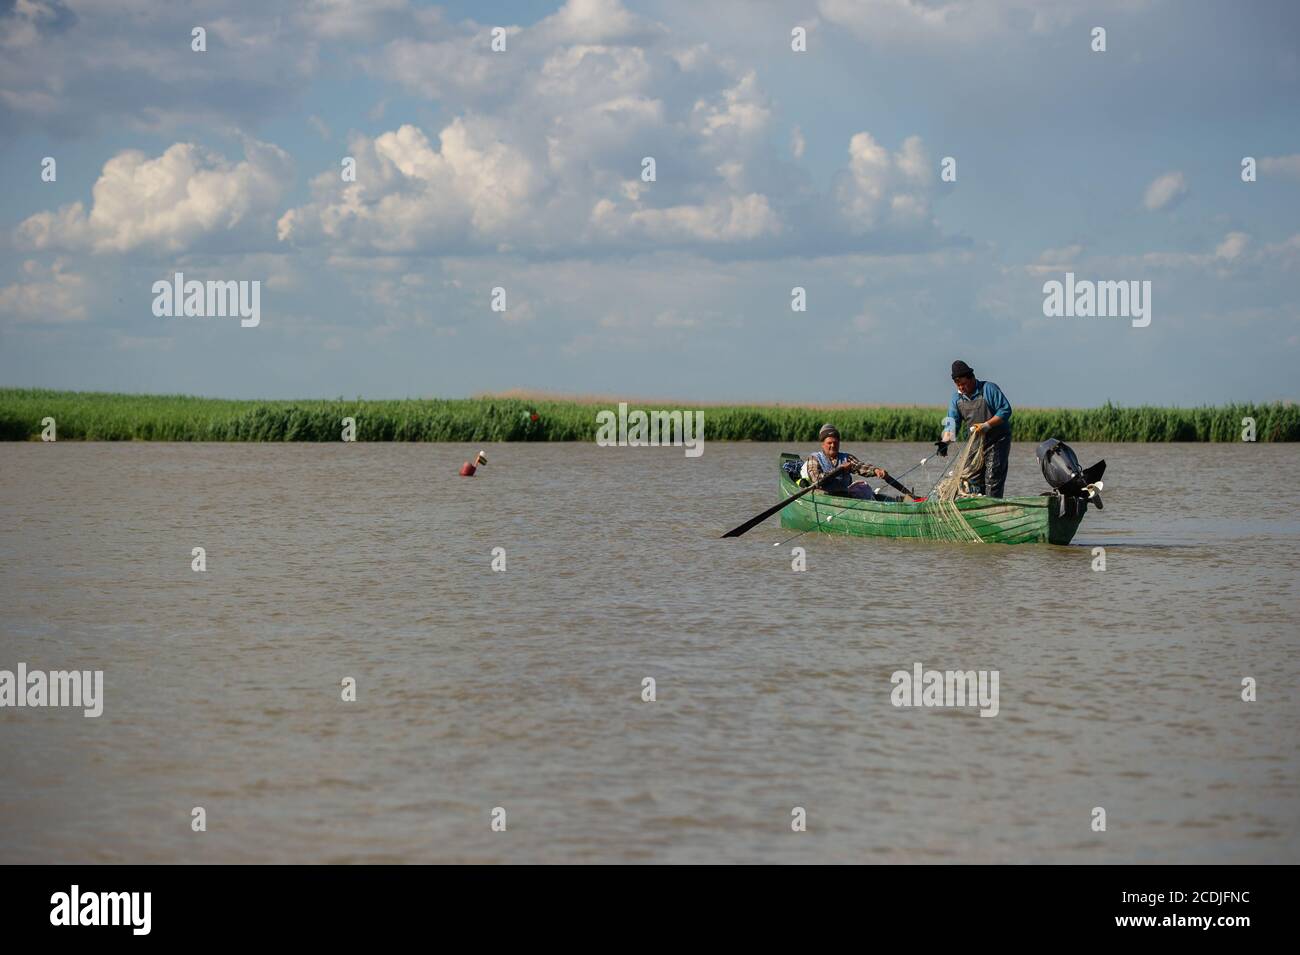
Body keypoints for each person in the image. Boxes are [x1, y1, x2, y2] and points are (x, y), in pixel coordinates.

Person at [940, 360, 1012, 498]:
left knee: (992, 478)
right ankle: (973, 509)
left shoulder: (988, 389)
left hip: (997, 440)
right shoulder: (956, 398)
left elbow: (1005, 410)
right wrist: (944, 443)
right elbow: (952, 424)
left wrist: (986, 425)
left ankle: (991, 509)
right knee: (969, 477)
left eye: (964, 384)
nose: (961, 388)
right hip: (975, 443)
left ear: (972, 378)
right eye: (958, 385)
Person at [803, 424, 890, 499]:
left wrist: (875, 470)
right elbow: (816, 480)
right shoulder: (814, 458)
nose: (833, 446)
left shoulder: (846, 458)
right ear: (822, 444)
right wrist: (839, 469)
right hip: (823, 497)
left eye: (835, 443)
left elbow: (860, 466)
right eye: (829, 443)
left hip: (844, 496)